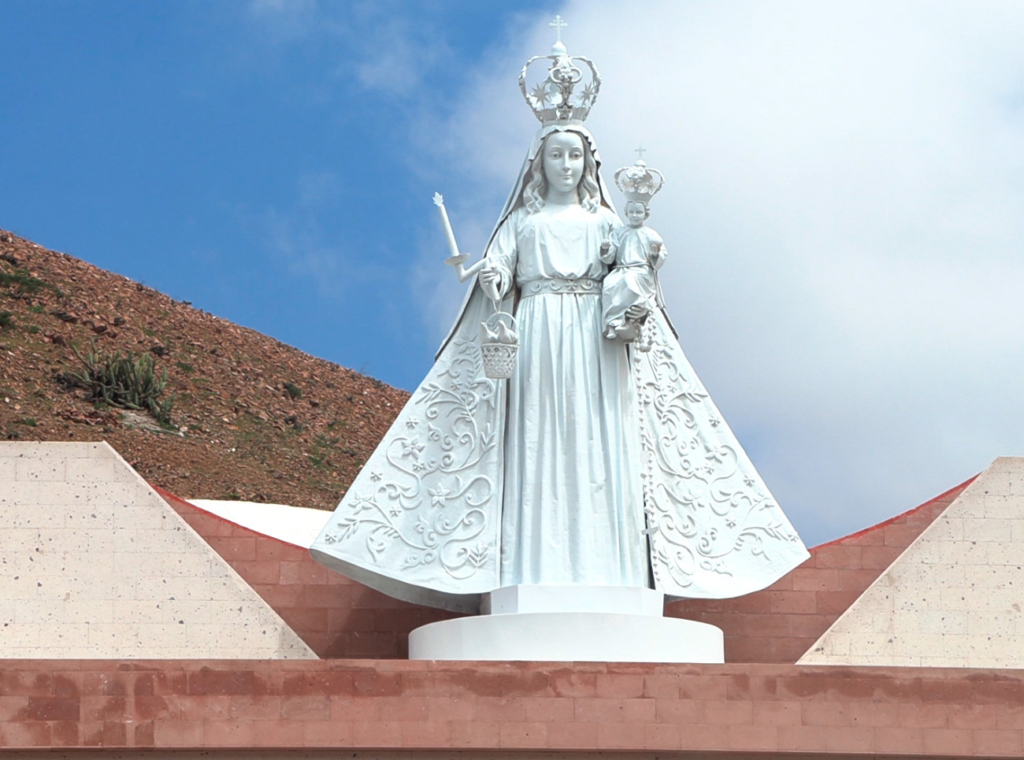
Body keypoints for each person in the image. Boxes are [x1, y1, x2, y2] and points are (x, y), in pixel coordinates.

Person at [310, 35, 809, 614]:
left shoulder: (603, 221)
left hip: (596, 339)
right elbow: (495, 266)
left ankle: (615, 565)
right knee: (537, 437)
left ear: (588, 163)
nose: (566, 166)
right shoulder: (523, 222)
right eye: (556, 156)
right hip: (538, 332)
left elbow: (634, 268)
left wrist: (638, 270)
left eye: (575, 157)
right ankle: (530, 562)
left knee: (601, 439)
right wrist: (493, 278)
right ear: (538, 164)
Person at [601, 199, 667, 345]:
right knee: (609, 284)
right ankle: (613, 323)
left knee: (630, 280)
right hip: (621, 269)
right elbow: (611, 254)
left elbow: (660, 254)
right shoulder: (620, 232)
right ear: (626, 213)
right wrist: (606, 249)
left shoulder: (650, 233)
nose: (635, 215)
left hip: (640, 271)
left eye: (638, 212)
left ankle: (634, 320)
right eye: (631, 212)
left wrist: (655, 253)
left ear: (645, 214)